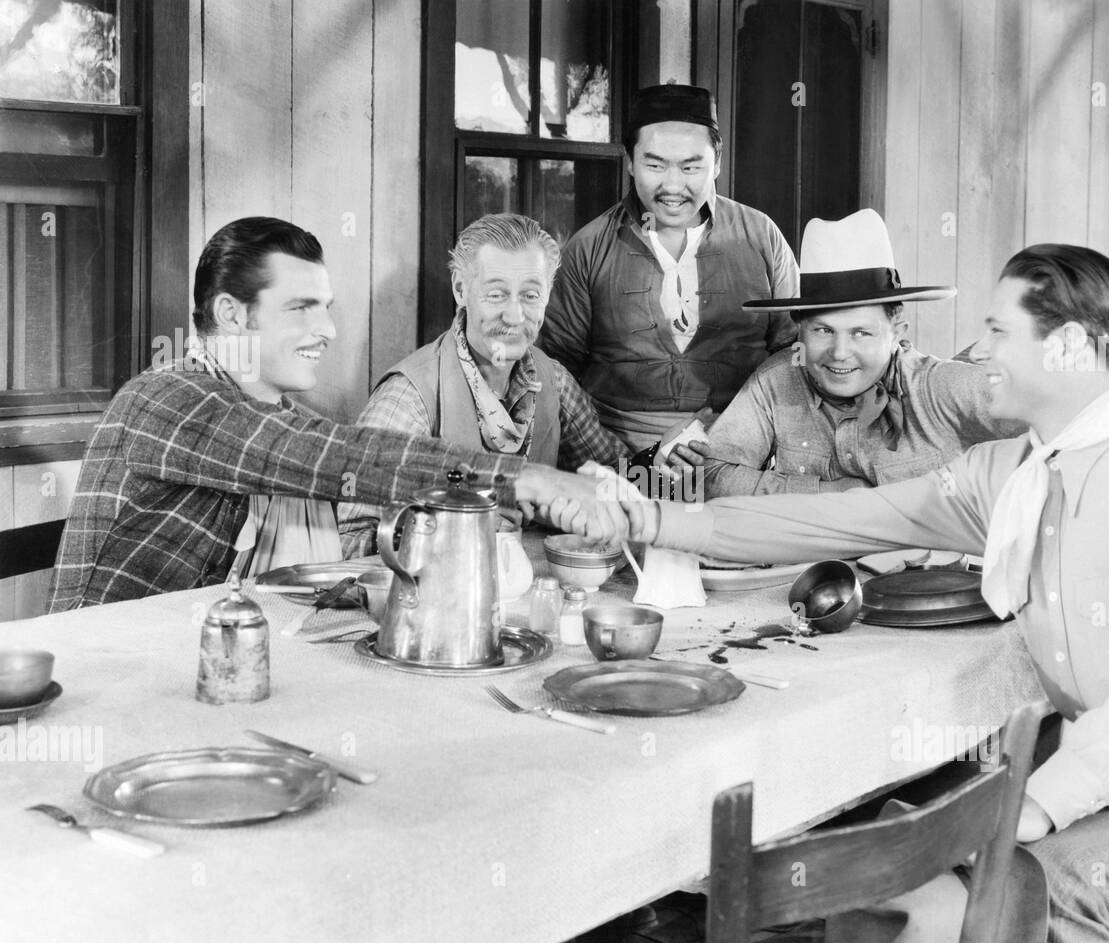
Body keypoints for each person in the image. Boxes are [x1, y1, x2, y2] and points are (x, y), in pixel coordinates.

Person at [614, 244, 1109, 943]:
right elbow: (837, 520)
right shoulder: (1008, 476)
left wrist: (1039, 802)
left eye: (999, 332)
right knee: (890, 854)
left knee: (1040, 886)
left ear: (1065, 345)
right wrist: (651, 522)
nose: (981, 351)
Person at [47, 217, 626, 612]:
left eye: (325, 309)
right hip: (114, 677)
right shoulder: (167, 398)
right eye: (300, 308)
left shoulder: (277, 413)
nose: (325, 330)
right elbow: (338, 457)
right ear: (230, 314)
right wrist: (525, 479)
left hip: (214, 660)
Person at [337, 213, 698, 558]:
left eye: (530, 295)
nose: (514, 316)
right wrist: (452, 528)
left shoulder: (552, 378)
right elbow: (349, 540)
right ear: (461, 289)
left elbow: (611, 476)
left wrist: (662, 467)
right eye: (496, 295)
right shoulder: (410, 395)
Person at [537, 83, 799, 454]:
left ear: (718, 162)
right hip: (616, 455)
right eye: (655, 164)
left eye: (691, 167)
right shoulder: (588, 246)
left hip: (740, 446)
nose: (673, 186)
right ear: (629, 160)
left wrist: (743, 427)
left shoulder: (762, 237)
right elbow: (555, 368)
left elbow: (794, 350)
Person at [704, 209, 1020, 498]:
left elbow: (1060, 417)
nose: (839, 353)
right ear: (799, 330)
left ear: (897, 334)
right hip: (809, 560)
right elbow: (710, 473)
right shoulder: (777, 379)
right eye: (823, 331)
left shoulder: (939, 387)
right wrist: (825, 492)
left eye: (861, 333)